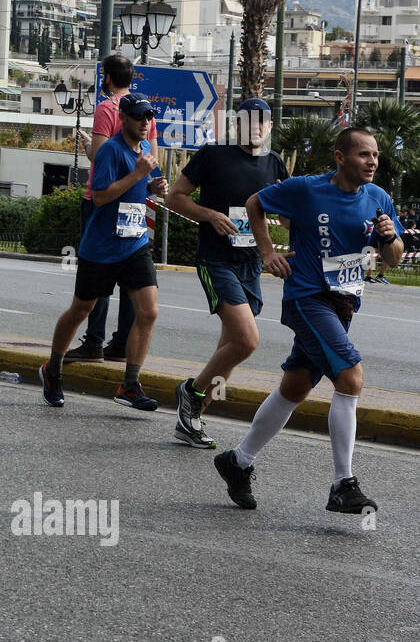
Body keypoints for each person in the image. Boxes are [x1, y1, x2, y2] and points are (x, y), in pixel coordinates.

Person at [214, 128, 404, 514]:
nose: (372, 162)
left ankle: (238, 461)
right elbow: (255, 203)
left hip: (345, 303)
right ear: (340, 157)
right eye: (364, 154)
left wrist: (389, 238)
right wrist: (267, 253)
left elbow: (395, 259)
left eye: (376, 155)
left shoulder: (379, 198)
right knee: (350, 376)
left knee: (296, 386)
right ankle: (342, 484)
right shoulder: (306, 189)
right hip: (308, 297)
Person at [166, 98, 288, 449]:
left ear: (269, 127)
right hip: (216, 260)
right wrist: (209, 215)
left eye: (262, 122)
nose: (256, 127)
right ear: (237, 124)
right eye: (249, 120)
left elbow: (291, 209)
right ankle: (190, 391)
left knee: (231, 345)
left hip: (250, 264)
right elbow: (176, 198)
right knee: (247, 340)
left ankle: (191, 419)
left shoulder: (273, 163)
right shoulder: (213, 154)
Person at [40, 92, 167, 411]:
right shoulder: (110, 151)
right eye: (139, 116)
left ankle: (130, 385)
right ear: (122, 118)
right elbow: (99, 197)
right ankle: (52, 369)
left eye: (148, 116)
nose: (144, 122)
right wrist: (139, 174)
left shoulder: (147, 149)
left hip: (134, 243)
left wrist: (154, 187)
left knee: (149, 311)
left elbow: (140, 188)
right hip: (101, 248)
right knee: (81, 310)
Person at [64, 55, 159, 364]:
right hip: (135, 204)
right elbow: (150, 160)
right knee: (134, 279)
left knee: (99, 275)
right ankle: (122, 343)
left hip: (103, 201)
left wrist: (88, 143)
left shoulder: (108, 109)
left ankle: (94, 341)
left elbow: (101, 156)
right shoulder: (147, 114)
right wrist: (149, 182)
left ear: (106, 78)